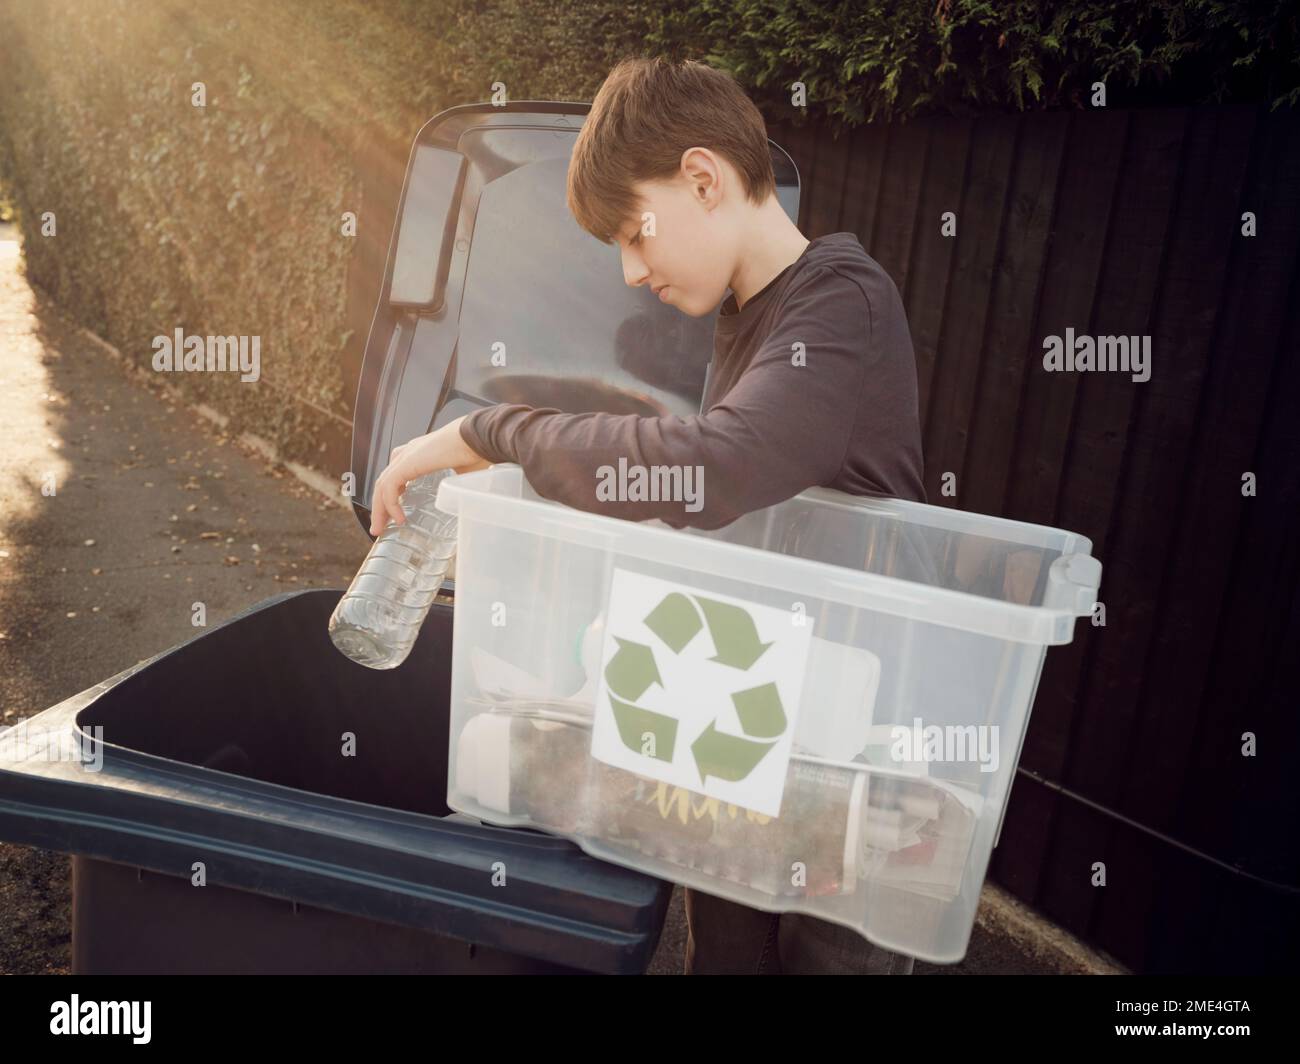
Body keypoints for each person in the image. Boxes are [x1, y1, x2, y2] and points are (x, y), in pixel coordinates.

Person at [369, 56, 926, 975]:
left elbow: (709, 474)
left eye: (635, 233)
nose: (631, 272)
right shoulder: (752, 316)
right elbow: (719, 515)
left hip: (848, 771)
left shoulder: (839, 302)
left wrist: (489, 430)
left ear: (703, 179)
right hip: (756, 723)